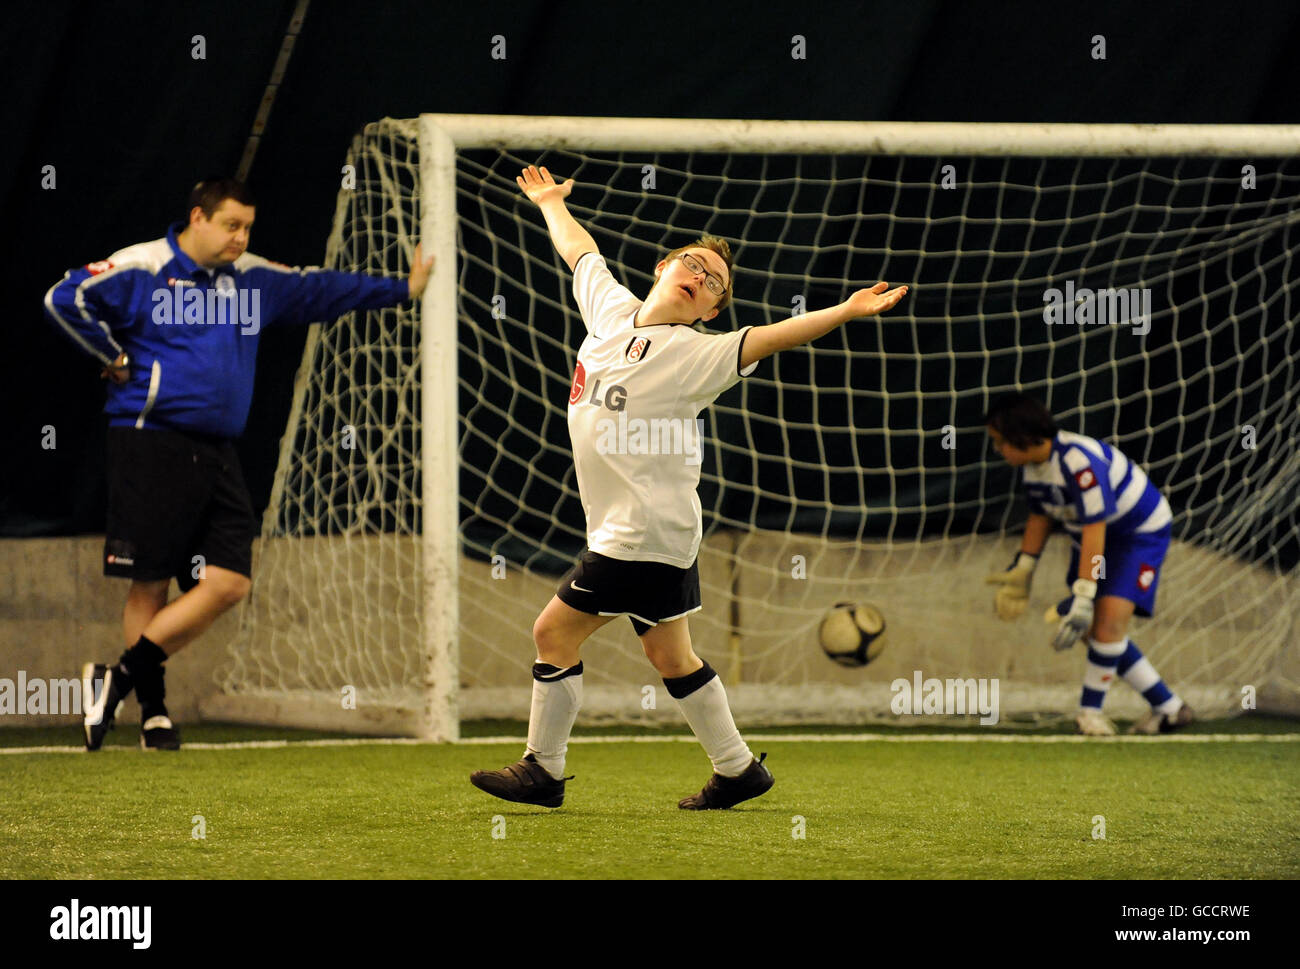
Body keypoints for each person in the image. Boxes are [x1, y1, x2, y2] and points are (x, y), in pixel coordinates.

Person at [470, 166, 908, 809]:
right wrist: (548, 203)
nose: (702, 276)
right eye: (694, 264)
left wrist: (846, 309)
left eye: (715, 283)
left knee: (552, 635)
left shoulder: (695, 355)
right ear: (662, 268)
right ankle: (737, 769)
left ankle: (543, 770)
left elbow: (773, 337)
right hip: (663, 532)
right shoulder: (612, 311)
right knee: (672, 657)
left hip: (640, 534)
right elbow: (580, 251)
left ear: (711, 310)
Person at [43, 176, 434, 751]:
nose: (240, 237)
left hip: (218, 449)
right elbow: (64, 297)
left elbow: (317, 288)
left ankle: (117, 678)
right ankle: (153, 714)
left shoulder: (249, 277)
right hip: (150, 440)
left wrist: (401, 288)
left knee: (227, 582)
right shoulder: (143, 267)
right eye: (231, 225)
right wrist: (115, 355)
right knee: (149, 580)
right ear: (197, 218)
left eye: (247, 227)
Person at [984, 392, 1194, 735]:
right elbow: (1040, 516)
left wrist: (1085, 590)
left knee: (1107, 623)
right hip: (1094, 539)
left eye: (1000, 442)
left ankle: (1090, 714)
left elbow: (1096, 525)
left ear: (1022, 437)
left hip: (1136, 535)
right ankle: (1170, 707)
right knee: (1090, 628)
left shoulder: (1079, 462)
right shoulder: (1034, 469)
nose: (998, 451)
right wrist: (1024, 568)